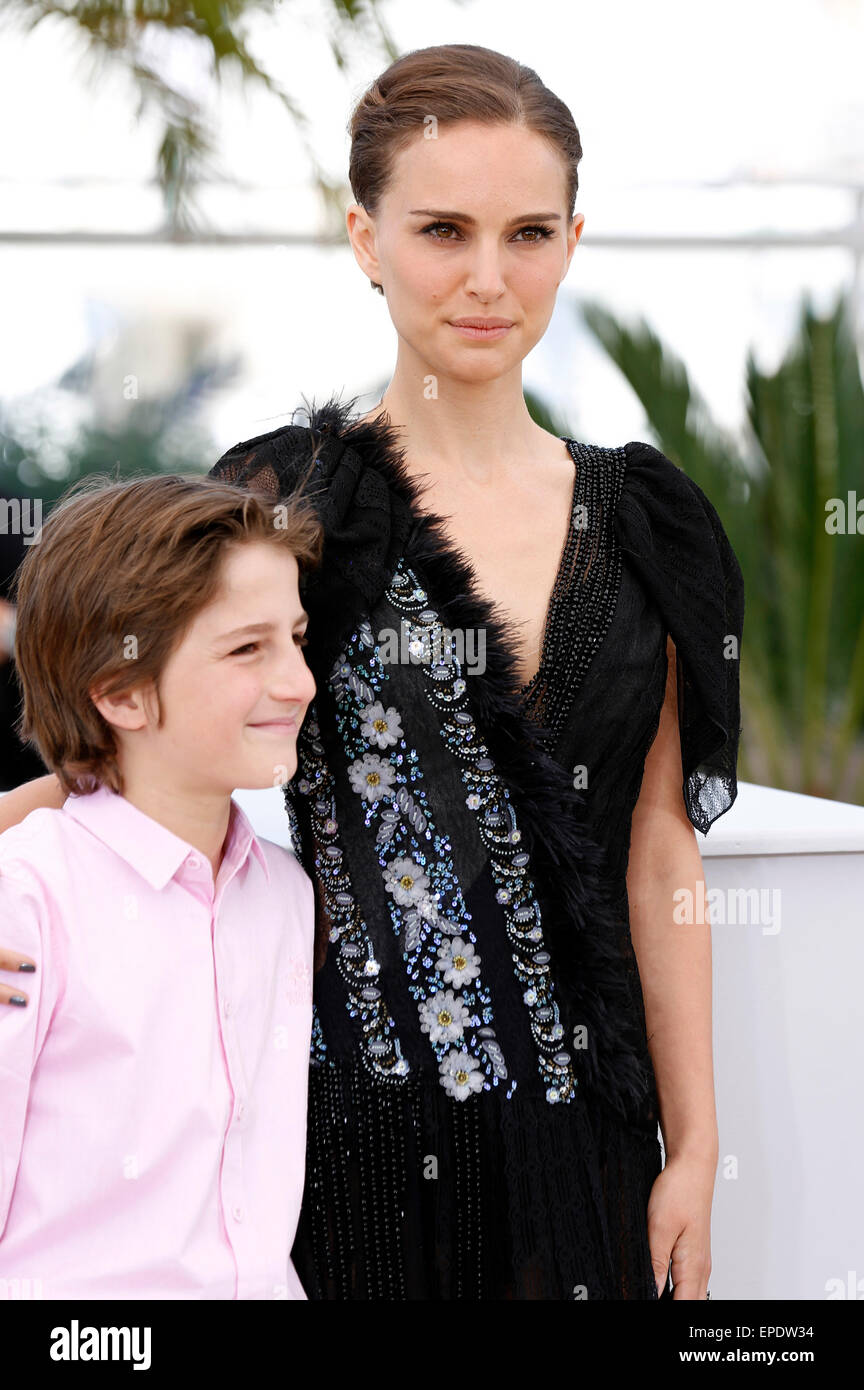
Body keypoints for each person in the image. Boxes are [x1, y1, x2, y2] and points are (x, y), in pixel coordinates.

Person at [0, 42, 744, 1300]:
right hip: (341, 1141)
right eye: (444, 230)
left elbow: (662, 853)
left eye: (529, 234)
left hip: (593, 1140)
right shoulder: (288, 496)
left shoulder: (646, 522)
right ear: (365, 236)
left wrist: (699, 1144)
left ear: (574, 238)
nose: (488, 280)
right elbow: (141, 742)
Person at [0, 471, 321, 1299]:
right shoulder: (28, 901)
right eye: (248, 648)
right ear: (121, 693)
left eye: (297, 637)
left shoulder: (285, 895)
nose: (299, 682)